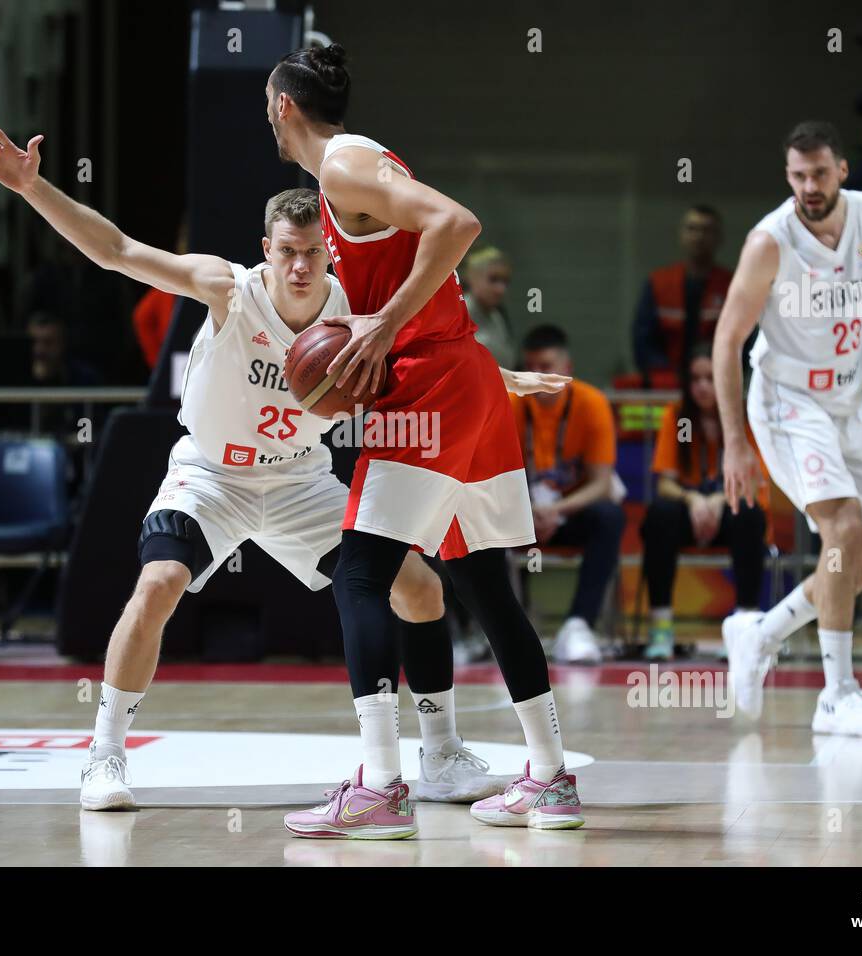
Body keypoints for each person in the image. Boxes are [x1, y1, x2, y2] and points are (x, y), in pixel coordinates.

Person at [0, 123, 565, 811]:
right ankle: (105, 756)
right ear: (265, 252)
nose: (301, 265)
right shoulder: (227, 289)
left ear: (328, 255)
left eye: (313, 252)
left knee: (420, 591)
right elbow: (116, 250)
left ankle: (443, 755)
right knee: (157, 583)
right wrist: (31, 185)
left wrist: (502, 377)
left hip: (300, 478)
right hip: (212, 475)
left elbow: (429, 354)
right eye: (287, 253)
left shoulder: (351, 315)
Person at [266, 43, 584, 837]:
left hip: (432, 387)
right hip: (464, 378)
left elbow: (458, 223)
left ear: (281, 108)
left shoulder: (342, 165)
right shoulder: (349, 174)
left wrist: (384, 325)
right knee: (481, 585)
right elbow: (433, 276)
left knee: (361, 577)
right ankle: (550, 779)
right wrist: (491, 375)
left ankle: (380, 788)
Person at [712, 121, 862, 737]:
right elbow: (727, 340)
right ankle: (836, 696)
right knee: (840, 527)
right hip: (789, 403)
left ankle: (758, 633)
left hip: (852, 399)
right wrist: (735, 442)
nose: (808, 186)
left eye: (819, 173)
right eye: (797, 175)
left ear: (843, 169)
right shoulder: (770, 242)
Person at [641, 344, 767, 661]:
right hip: (690, 515)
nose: (702, 386)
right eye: (695, 378)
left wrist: (719, 500)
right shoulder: (677, 415)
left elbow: (755, 480)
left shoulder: (746, 416)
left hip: (731, 512)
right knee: (659, 514)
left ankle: (745, 626)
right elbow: (665, 482)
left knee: (750, 514)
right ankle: (661, 627)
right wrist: (694, 498)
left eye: (710, 378)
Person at [511, 324, 625, 664]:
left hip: (569, 512)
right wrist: (527, 508)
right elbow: (489, 476)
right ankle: (502, 627)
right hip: (521, 512)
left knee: (609, 516)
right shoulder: (510, 404)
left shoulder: (592, 403)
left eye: (546, 367)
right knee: (471, 515)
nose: (537, 375)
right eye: (530, 366)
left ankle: (578, 625)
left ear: (567, 369)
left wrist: (557, 509)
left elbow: (602, 483)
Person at [632, 205, 732, 386]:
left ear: (719, 238)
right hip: (666, 383)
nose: (699, 236)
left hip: (716, 382)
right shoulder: (659, 283)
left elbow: (744, 340)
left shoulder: (731, 285)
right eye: (692, 229)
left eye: (707, 230)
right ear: (682, 235)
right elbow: (643, 341)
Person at [461, 246, 516, 368]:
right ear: (472, 277)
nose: (501, 289)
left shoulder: (497, 316)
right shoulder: (457, 314)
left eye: (505, 281)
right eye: (493, 279)